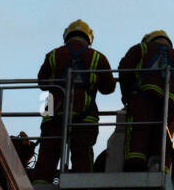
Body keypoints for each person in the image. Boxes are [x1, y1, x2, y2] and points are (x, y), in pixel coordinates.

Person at [34, 20, 115, 181]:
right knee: (82, 153)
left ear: (66, 35)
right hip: (85, 114)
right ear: (89, 37)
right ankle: (82, 184)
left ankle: (39, 186)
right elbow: (109, 88)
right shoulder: (98, 57)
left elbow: (42, 83)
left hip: (52, 110)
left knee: (47, 154)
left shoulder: (53, 55)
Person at [118, 31, 174, 171]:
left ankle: (134, 163)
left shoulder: (141, 49)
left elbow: (125, 69)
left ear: (148, 41)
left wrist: (126, 96)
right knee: (164, 137)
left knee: (139, 131)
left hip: (143, 98)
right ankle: (160, 168)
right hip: (170, 103)